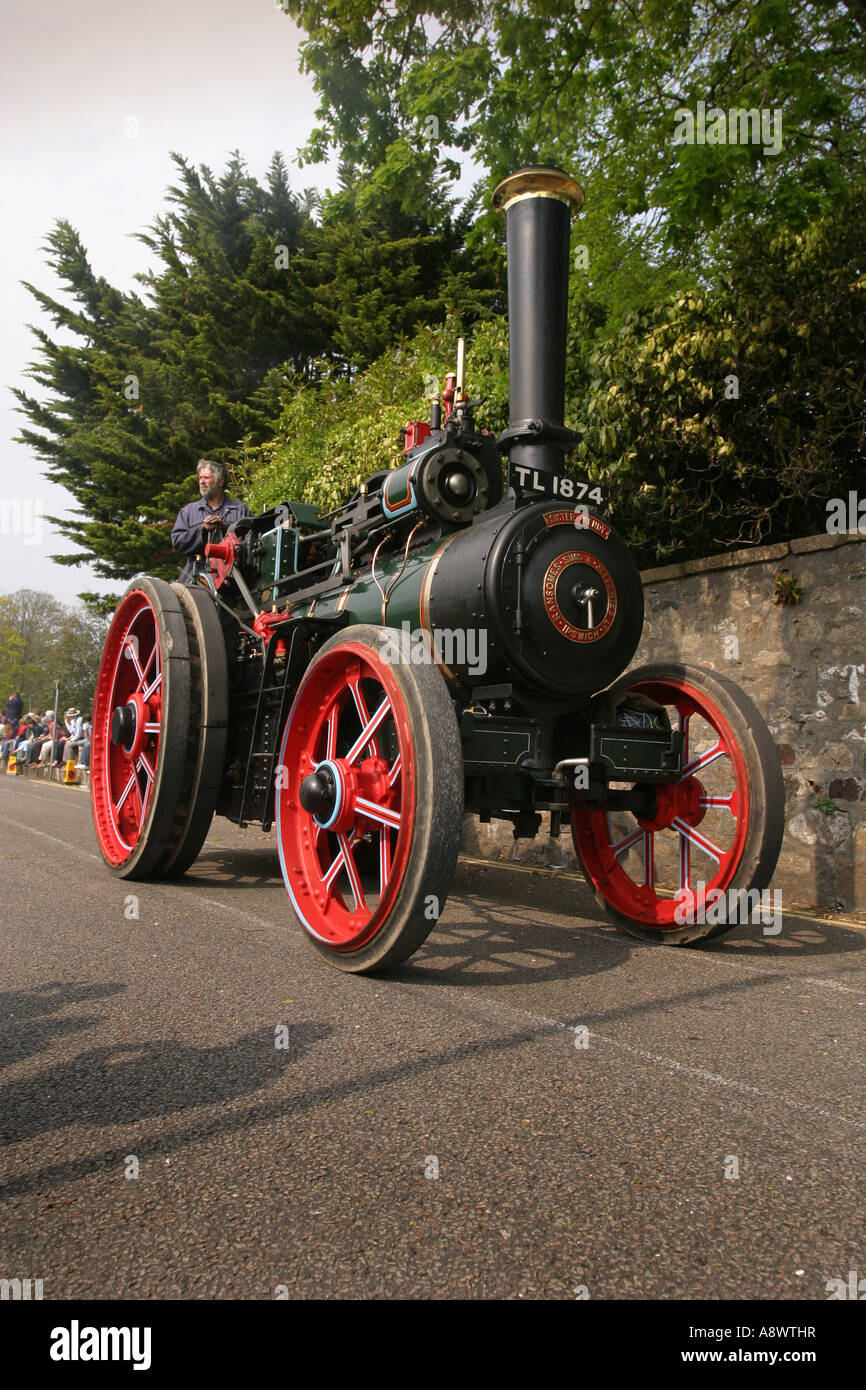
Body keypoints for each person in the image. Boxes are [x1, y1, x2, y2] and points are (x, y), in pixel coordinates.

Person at [171, 459, 251, 585]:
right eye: (200, 478)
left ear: (220, 481)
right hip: (195, 581)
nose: (202, 482)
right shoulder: (188, 511)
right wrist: (202, 529)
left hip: (232, 582)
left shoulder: (240, 510)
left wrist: (226, 528)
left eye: (206, 478)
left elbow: (250, 542)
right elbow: (177, 542)